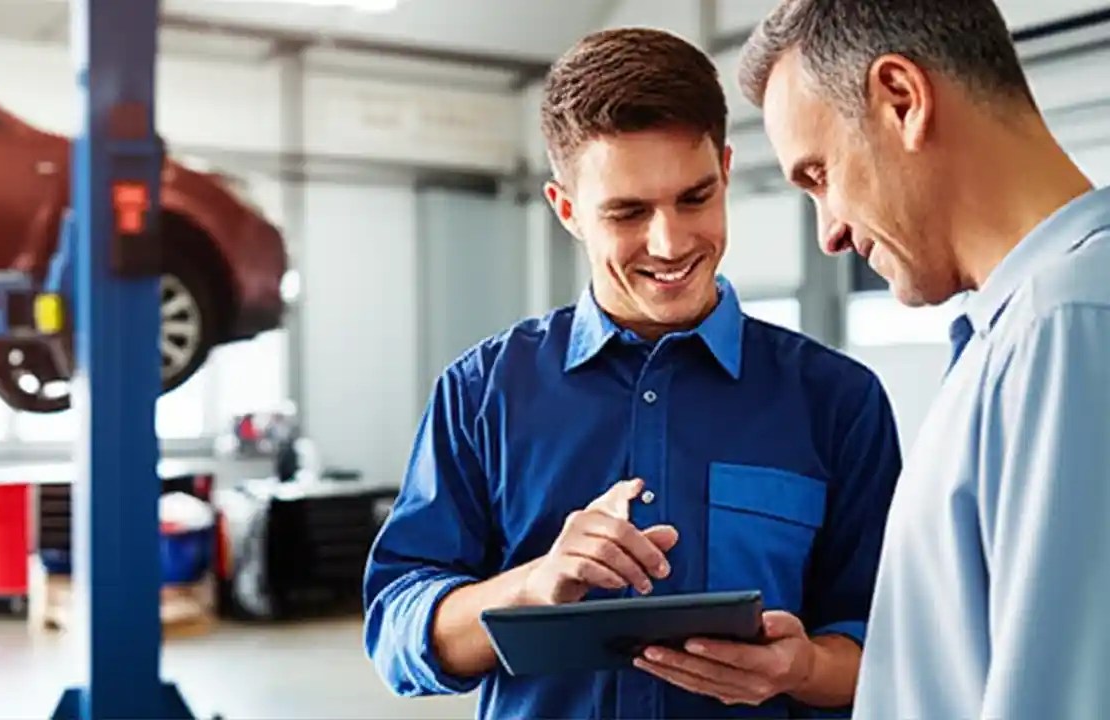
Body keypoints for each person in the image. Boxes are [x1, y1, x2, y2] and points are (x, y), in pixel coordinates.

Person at [363, 27, 903, 719]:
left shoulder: (838, 402)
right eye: (627, 212)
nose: (670, 242)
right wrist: (531, 587)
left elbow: (895, 652)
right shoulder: (482, 393)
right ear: (567, 211)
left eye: (694, 198)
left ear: (727, 173)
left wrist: (801, 667)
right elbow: (397, 633)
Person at [737, 1, 1110, 718]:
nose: (830, 233)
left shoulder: (1065, 327)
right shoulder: (1013, 336)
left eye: (819, 175)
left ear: (901, 100)